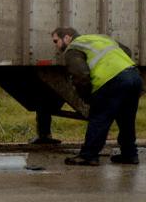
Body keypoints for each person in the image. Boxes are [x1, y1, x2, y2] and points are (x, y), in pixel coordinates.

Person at [51, 27, 142, 166]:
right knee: (126, 119)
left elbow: (81, 75)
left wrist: (87, 97)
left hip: (112, 81)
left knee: (99, 117)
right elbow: (127, 51)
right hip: (134, 77)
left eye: (56, 41)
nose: (56, 46)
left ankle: (88, 156)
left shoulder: (73, 48)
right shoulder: (101, 38)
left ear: (67, 38)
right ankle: (129, 154)